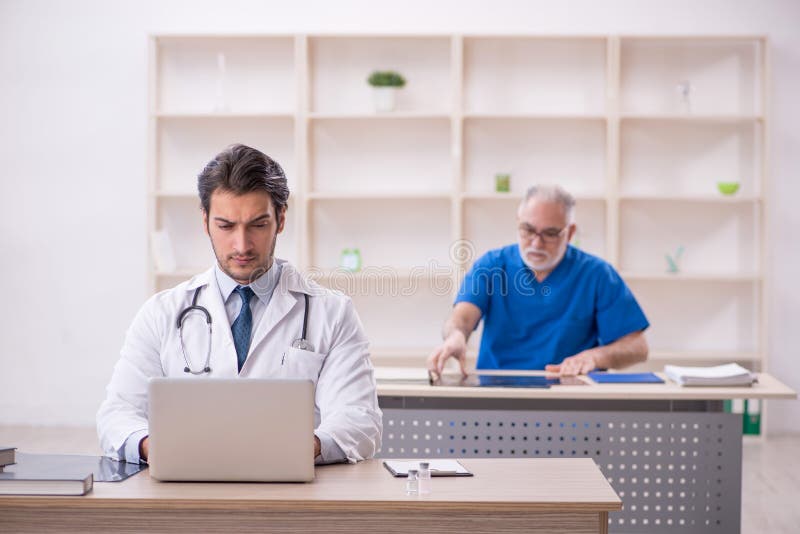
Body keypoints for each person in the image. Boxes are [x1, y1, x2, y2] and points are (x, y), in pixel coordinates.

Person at [97, 144, 382, 465]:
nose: (242, 245)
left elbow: (359, 419)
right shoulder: (162, 313)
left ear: (281, 219)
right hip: (186, 494)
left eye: (258, 225)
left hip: (293, 495)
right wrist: (156, 448)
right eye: (226, 226)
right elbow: (118, 412)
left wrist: (297, 448)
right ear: (205, 221)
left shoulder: (331, 312)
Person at [428, 184, 649, 377]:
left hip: (571, 400)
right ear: (518, 223)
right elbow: (462, 318)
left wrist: (597, 357)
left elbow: (638, 347)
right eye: (528, 230)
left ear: (570, 233)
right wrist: (456, 337)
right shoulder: (492, 266)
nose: (536, 243)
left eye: (550, 234)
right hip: (497, 396)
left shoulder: (597, 275)